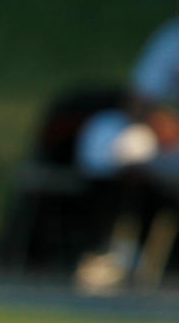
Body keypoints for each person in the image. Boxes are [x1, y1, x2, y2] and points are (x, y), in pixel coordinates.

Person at [73, 16, 179, 293]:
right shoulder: (172, 37)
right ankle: (108, 248)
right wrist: (156, 123)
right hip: (162, 139)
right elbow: (139, 97)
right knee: (106, 138)